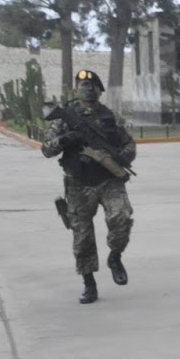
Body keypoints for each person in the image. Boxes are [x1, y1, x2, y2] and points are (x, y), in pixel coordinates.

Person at [40, 69, 136, 305]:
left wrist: (126, 154)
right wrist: (66, 139)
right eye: (83, 85)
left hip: (109, 180)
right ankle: (89, 284)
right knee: (82, 236)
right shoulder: (65, 118)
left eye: (93, 86)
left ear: (100, 91)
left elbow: (129, 143)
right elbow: (46, 149)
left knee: (122, 217)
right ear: (75, 90)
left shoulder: (111, 117)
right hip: (78, 183)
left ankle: (115, 257)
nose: (89, 89)